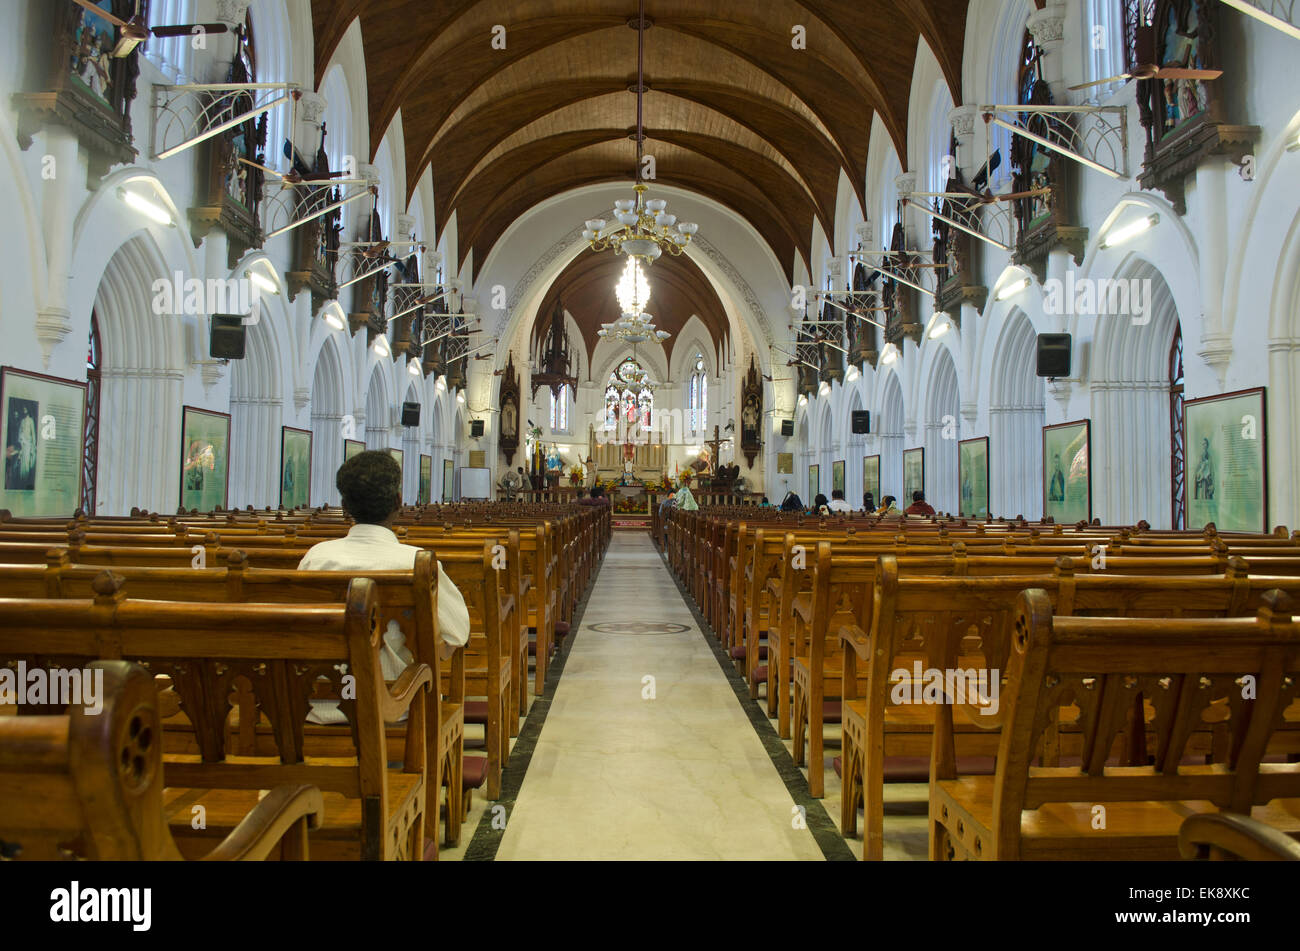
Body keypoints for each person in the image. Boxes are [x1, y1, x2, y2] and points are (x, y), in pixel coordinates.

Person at [298, 452, 470, 721]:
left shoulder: (316, 557)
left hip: (318, 706)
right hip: (396, 707)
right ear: (398, 502)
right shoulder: (418, 563)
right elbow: (458, 634)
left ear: (344, 505)